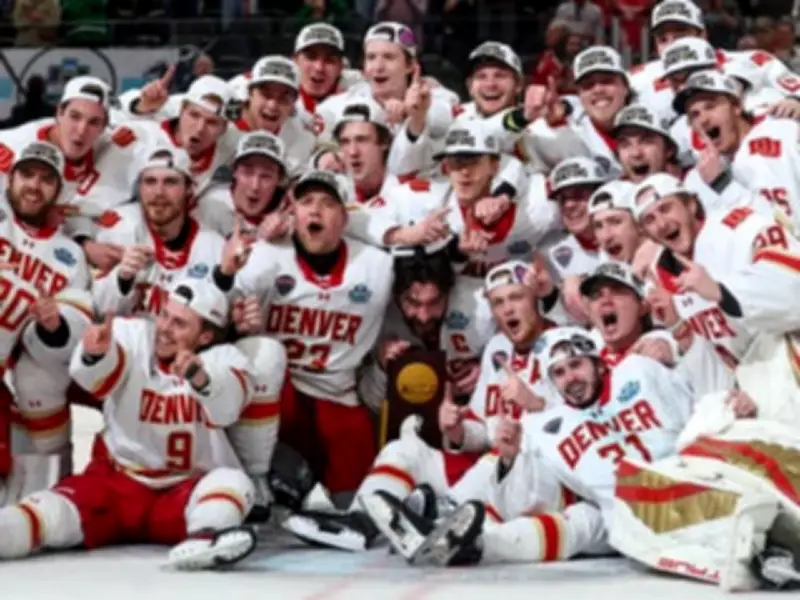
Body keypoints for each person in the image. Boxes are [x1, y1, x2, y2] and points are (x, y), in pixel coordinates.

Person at [361, 326, 696, 566]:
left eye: (576, 365)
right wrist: (503, 454)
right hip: (601, 509)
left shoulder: (637, 374)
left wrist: (667, 341)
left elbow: (692, 394)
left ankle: (448, 519)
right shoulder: (551, 411)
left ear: (598, 363)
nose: (570, 378)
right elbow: (521, 478)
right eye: (560, 372)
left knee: (577, 521)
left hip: (659, 499)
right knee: (569, 515)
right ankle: (468, 540)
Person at [0, 277, 257, 569]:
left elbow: (227, 409)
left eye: (179, 324)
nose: (164, 328)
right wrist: (96, 354)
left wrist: (199, 376)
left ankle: (206, 537)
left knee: (232, 482)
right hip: (118, 483)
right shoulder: (133, 334)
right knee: (50, 512)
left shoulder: (227, 358)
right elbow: (98, 378)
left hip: (184, 491)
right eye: (164, 315)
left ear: (205, 337)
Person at [235, 170, 394, 507]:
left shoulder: (378, 265)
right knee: (261, 353)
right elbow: (223, 316)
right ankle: (257, 480)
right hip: (280, 395)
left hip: (338, 395)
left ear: (344, 216)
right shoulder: (266, 256)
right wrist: (238, 326)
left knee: (353, 501)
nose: (315, 211)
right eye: (306, 202)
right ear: (293, 212)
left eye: (327, 203)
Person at [1, 142, 92, 500]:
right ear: (10, 179)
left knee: (38, 374)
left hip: (16, 367)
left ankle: (50, 488)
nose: (34, 186)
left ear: (58, 190)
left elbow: (73, 335)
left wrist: (54, 325)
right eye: (26, 175)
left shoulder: (69, 256)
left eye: (45, 179)